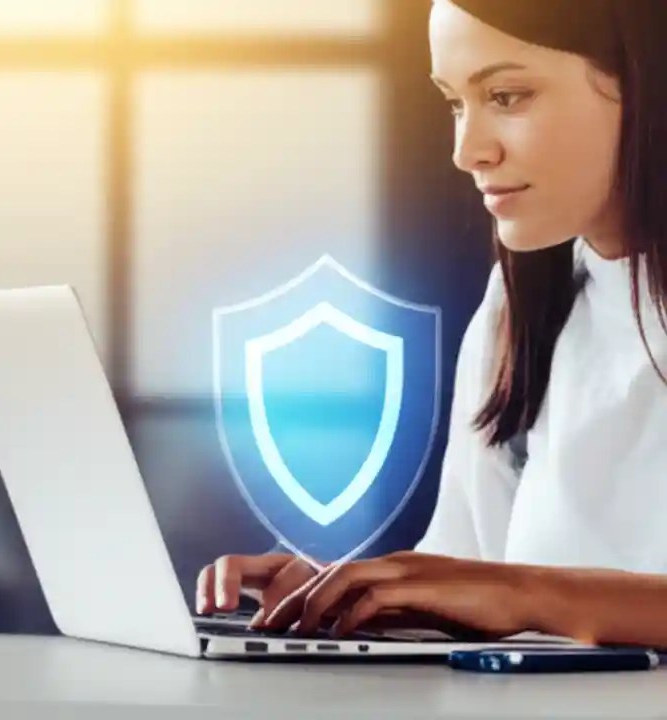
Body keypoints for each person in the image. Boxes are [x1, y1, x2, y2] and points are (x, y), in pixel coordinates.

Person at [197, 0, 667, 647]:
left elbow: (508, 596)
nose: (467, 151)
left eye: (506, 95)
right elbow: (474, 575)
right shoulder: (523, 300)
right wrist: (360, 597)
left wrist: (529, 594)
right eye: (454, 103)